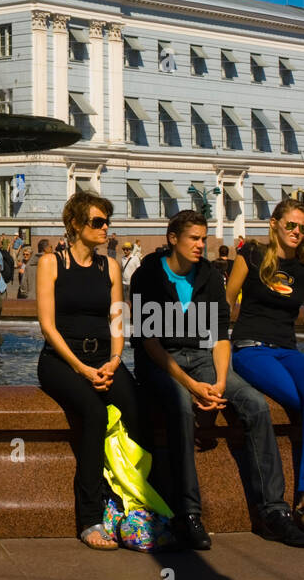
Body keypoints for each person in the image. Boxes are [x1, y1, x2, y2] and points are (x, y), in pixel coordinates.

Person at [131, 210, 304, 550]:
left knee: (254, 404)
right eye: (194, 239)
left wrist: (221, 381)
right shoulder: (148, 275)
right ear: (172, 239)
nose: (201, 245)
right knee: (181, 406)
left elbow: (220, 337)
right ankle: (188, 512)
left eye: (203, 238)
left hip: (203, 359)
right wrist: (191, 385)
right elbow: (149, 343)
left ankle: (274, 511)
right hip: (161, 363)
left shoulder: (209, 275)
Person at [36, 193, 144, 550]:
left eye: (107, 222)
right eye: (98, 222)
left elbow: (117, 320)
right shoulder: (52, 263)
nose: (105, 229)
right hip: (60, 360)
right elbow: (48, 327)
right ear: (75, 225)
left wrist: (115, 360)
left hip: (105, 358)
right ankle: (90, 518)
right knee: (95, 414)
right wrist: (81, 368)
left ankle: (135, 503)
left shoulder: (110, 266)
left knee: (134, 406)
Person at [227, 200, 304, 529]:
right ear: (274, 224)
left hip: (289, 349)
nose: (297, 232)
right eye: (291, 225)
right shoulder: (252, 255)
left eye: (302, 228)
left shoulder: (302, 266)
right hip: (251, 349)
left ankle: (301, 496)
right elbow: (226, 302)